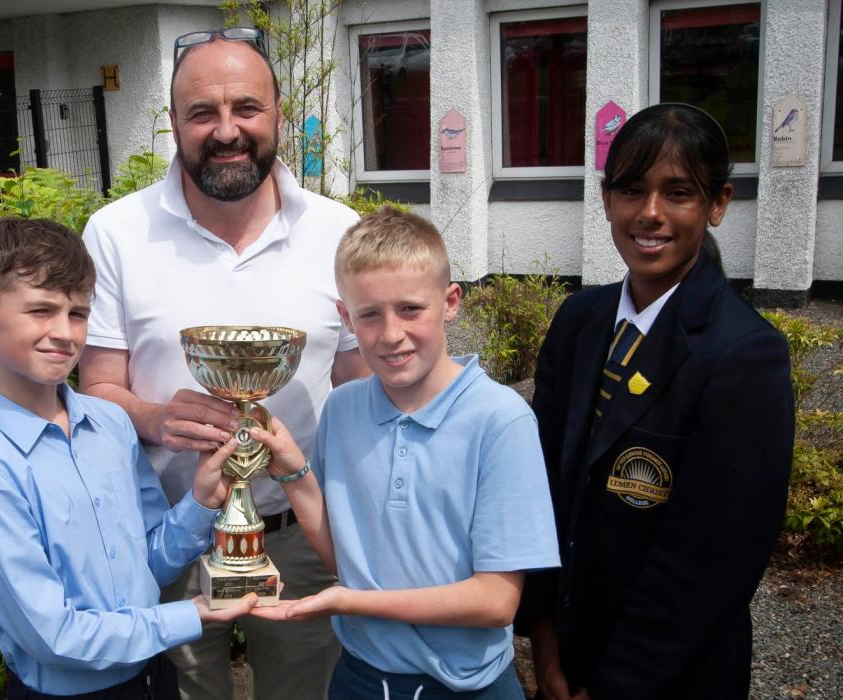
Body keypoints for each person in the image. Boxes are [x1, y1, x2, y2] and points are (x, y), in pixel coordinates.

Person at [80, 27, 368, 700]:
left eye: (246, 108)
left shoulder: (337, 231)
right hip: (166, 534)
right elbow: (96, 388)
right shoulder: (118, 233)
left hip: (302, 537)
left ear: (278, 118)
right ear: (175, 124)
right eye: (202, 113)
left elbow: (361, 386)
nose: (227, 130)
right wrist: (152, 417)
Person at [516, 103, 794, 700]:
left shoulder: (745, 355)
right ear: (605, 198)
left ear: (718, 203)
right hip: (564, 656)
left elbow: (711, 563)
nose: (650, 213)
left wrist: (613, 688)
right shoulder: (579, 321)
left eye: (679, 193)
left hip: (668, 676)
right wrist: (542, 638)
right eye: (632, 190)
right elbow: (538, 487)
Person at [246, 206, 561, 698]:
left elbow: (497, 601)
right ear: (345, 317)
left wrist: (355, 603)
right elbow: (345, 553)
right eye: (369, 315)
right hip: (362, 677)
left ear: (451, 301)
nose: (391, 334)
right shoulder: (343, 409)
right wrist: (293, 470)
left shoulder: (501, 421)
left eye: (410, 309)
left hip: (464, 686)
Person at [0, 218, 259, 700]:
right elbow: (53, 636)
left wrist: (199, 502)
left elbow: (147, 565)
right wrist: (193, 614)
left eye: (77, 313)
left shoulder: (110, 425)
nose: (64, 333)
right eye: (40, 310)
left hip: (151, 675)